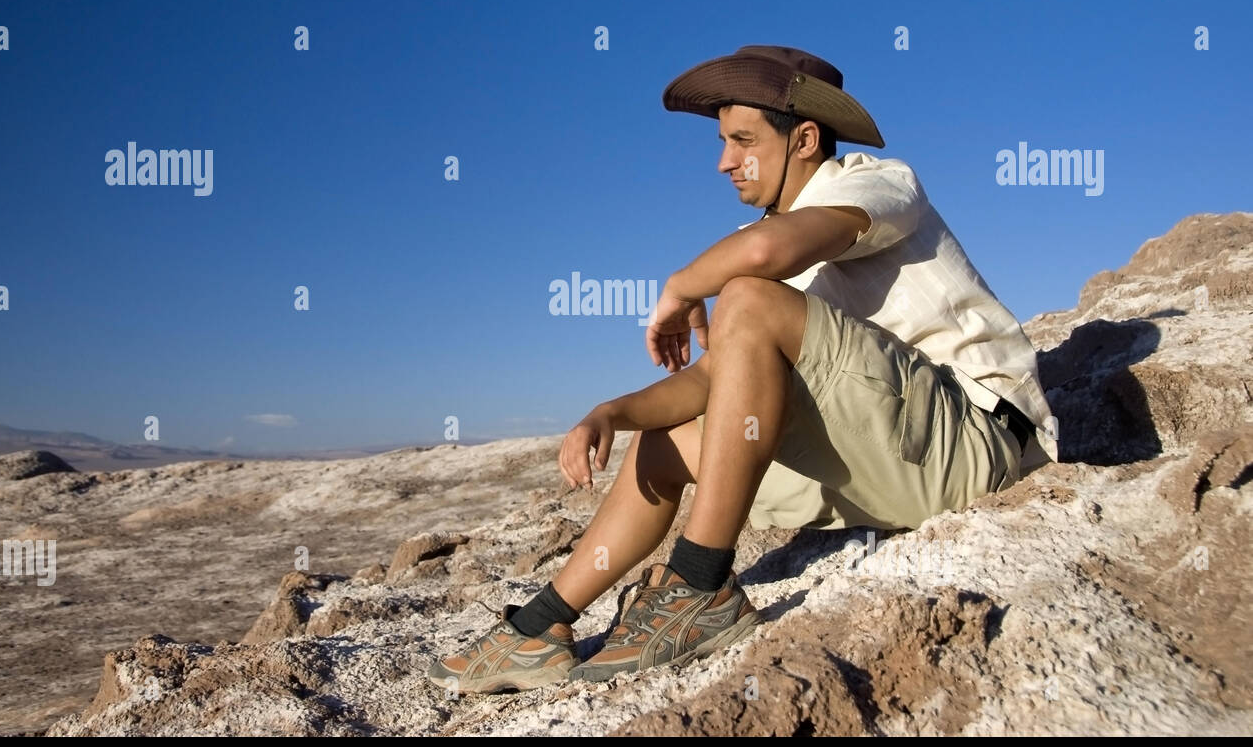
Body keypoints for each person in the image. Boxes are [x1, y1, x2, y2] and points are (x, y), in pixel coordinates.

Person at [427, 45, 1058, 695]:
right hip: (897, 470)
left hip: (982, 442)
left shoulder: (873, 183)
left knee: (747, 293)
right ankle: (540, 626)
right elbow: (713, 382)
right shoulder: (773, 246)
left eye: (742, 140)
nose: (724, 160)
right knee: (666, 442)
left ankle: (700, 583)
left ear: (805, 138)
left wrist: (680, 286)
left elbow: (759, 257)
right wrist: (609, 411)